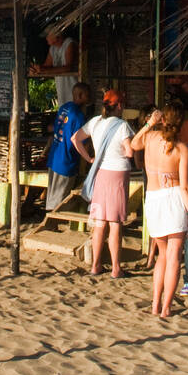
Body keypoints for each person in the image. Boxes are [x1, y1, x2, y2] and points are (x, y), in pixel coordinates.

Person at [130, 100, 188, 318]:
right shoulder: (181, 149)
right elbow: (184, 187)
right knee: (174, 256)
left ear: (162, 119)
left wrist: (149, 124)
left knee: (162, 256)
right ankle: (166, 307)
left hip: (154, 198)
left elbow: (133, 144)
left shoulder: (149, 138)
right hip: (173, 198)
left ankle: (156, 303)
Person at [72, 89, 134, 277]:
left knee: (99, 222)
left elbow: (75, 138)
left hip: (100, 174)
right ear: (120, 105)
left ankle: (95, 265)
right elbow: (130, 152)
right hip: (118, 174)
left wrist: (90, 158)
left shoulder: (95, 122)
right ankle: (116, 268)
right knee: (115, 223)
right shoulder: (123, 126)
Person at [44, 82, 90, 211]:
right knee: (61, 197)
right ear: (80, 95)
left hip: (55, 157)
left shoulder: (64, 107)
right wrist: (88, 159)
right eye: (87, 95)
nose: (89, 99)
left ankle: (51, 220)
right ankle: (51, 222)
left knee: (53, 193)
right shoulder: (78, 116)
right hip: (66, 160)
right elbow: (81, 140)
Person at [30, 26, 79, 108]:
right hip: (62, 87)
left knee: (74, 109)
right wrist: (36, 69)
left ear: (56, 36)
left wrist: (43, 70)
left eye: (47, 36)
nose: (46, 39)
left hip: (74, 86)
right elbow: (46, 66)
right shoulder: (53, 48)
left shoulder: (69, 43)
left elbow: (68, 68)